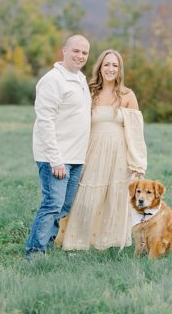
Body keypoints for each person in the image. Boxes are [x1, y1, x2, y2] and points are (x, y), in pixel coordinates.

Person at [58, 49, 147, 251]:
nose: (110, 69)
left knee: (114, 198)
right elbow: (75, 121)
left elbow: (135, 132)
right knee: (86, 198)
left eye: (115, 65)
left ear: (120, 69)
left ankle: (108, 243)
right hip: (92, 150)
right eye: (107, 64)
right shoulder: (89, 91)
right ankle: (77, 242)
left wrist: (137, 162)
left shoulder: (127, 95)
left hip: (119, 153)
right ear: (100, 67)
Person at [25, 34, 92, 259]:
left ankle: (48, 247)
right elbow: (45, 121)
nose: (80, 56)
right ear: (64, 50)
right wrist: (56, 159)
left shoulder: (81, 79)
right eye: (76, 51)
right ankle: (34, 253)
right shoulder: (52, 80)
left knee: (64, 206)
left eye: (84, 52)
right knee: (52, 204)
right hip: (56, 157)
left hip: (76, 157)